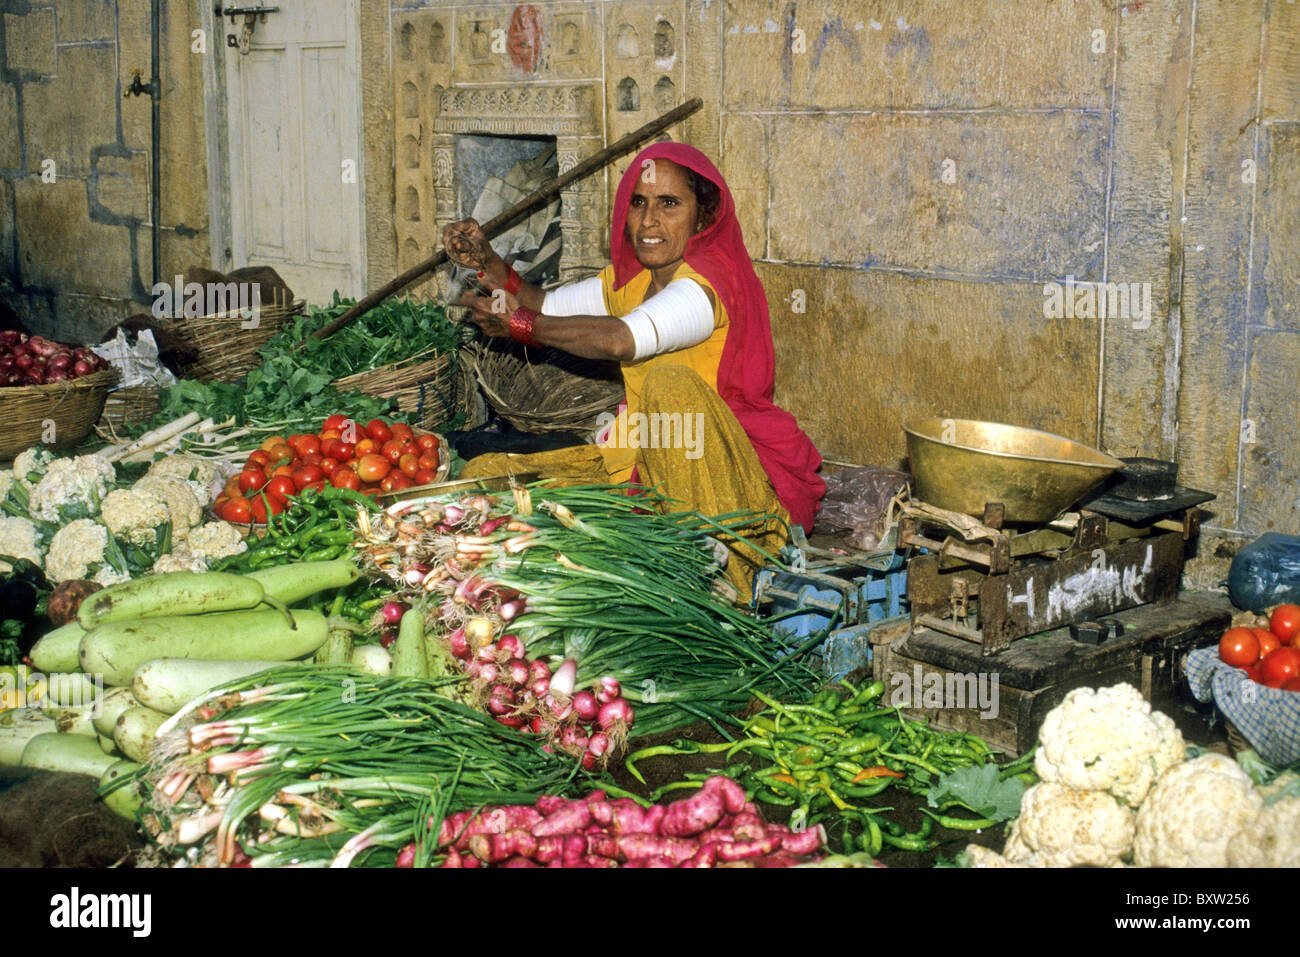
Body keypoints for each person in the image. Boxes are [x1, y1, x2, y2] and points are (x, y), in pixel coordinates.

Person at [442, 142, 824, 592]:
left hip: (718, 475)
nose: (649, 222)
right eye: (639, 203)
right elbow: (543, 304)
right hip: (644, 462)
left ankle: (730, 574)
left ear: (702, 217)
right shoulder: (633, 282)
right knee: (484, 477)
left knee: (670, 385)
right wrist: (487, 261)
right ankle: (641, 554)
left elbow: (622, 338)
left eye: (670, 204)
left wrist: (523, 325)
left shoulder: (708, 285)